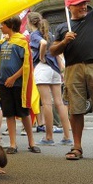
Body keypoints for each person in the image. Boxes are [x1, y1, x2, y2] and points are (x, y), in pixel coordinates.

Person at [49, 0, 93, 161]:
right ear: (69, 7)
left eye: (84, 3)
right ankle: (77, 147)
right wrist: (64, 41)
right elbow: (53, 51)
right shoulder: (63, 27)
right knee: (75, 109)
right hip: (73, 69)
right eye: (78, 4)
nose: (83, 6)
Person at [0, 16, 39, 154]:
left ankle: (31, 142)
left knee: (24, 113)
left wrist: (13, 78)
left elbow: (26, 64)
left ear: (10, 25)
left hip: (18, 84)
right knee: (9, 113)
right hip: (3, 83)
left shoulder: (22, 41)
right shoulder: (3, 41)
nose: (1, 27)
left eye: (3, 24)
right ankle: (13, 144)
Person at [26, 13, 73, 147]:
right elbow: (55, 52)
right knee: (59, 102)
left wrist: (41, 56)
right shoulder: (49, 34)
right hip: (54, 69)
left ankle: (49, 136)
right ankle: (67, 136)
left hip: (43, 68)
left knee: (46, 103)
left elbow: (43, 43)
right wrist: (61, 68)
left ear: (30, 22)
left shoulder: (34, 35)